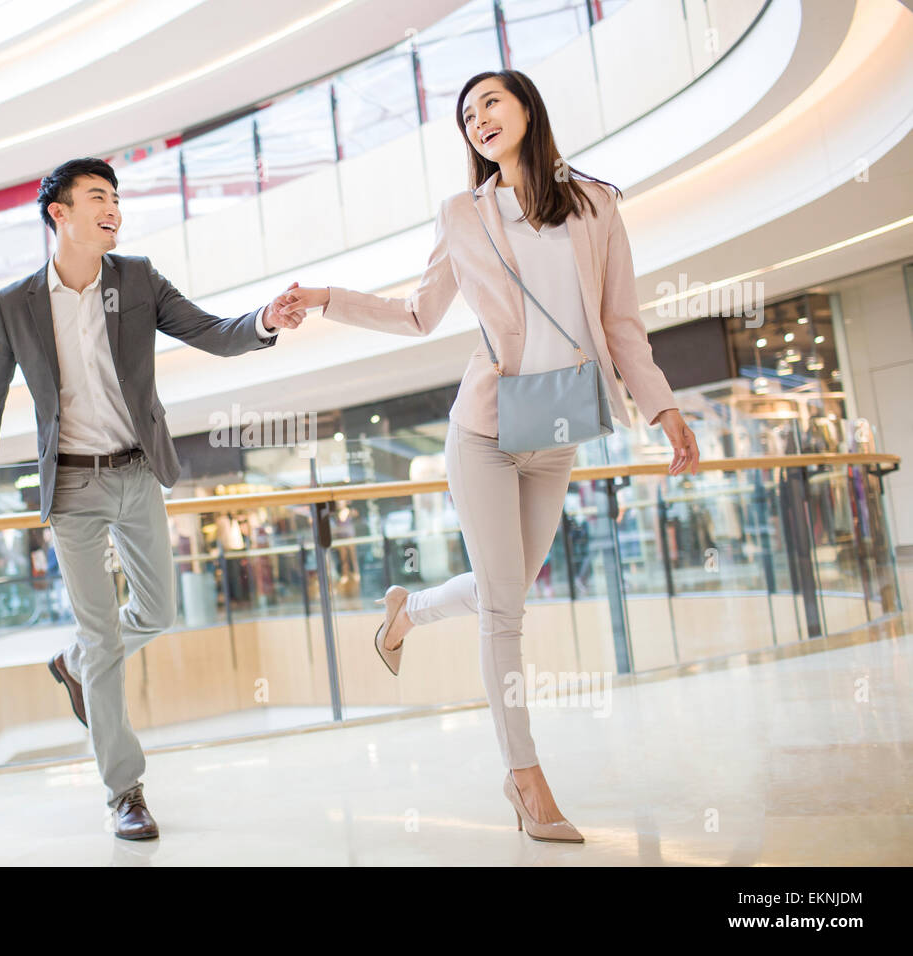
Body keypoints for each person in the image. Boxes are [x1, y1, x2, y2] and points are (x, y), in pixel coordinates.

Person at [275, 70, 701, 844]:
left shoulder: (596, 204)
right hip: (485, 430)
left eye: (490, 104)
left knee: (506, 590)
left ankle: (407, 611)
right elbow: (416, 313)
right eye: (467, 116)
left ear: (528, 108)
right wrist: (330, 297)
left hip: (561, 424)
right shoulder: (463, 215)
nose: (478, 121)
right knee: (505, 608)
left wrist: (664, 405)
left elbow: (621, 322)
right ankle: (525, 776)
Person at [0, 157, 301, 840]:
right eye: (96, 197)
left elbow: (210, 332)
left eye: (115, 197)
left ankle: (74, 666)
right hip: (73, 488)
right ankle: (126, 791)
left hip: (138, 471)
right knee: (103, 635)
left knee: (157, 611)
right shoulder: (16, 305)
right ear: (59, 212)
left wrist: (263, 319)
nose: (112, 207)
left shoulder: (138, 280)